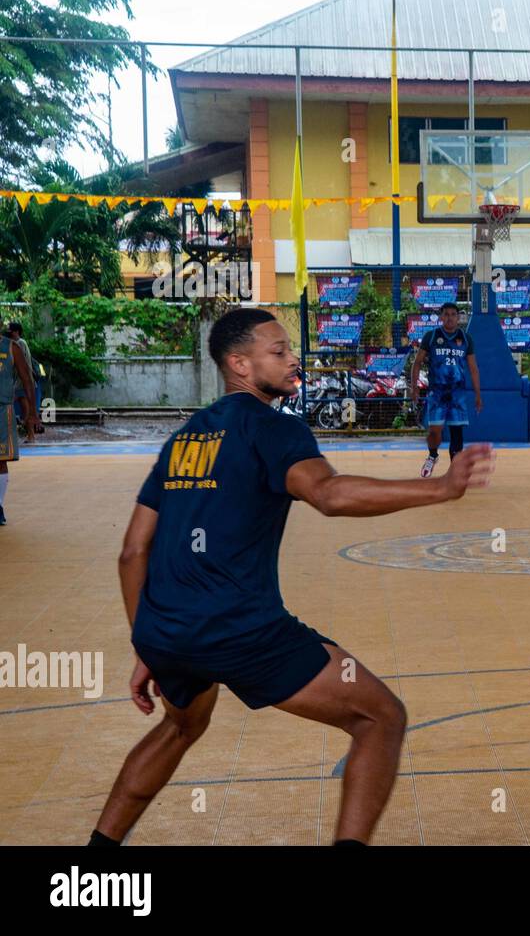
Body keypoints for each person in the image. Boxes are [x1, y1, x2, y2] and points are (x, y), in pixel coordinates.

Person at [90, 308, 495, 846]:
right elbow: (328, 494)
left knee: (181, 726)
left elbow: (131, 551)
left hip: (169, 629)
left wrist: (148, 641)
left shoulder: (185, 438)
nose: (291, 359)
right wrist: (438, 489)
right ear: (239, 364)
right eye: (277, 352)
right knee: (381, 718)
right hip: (240, 631)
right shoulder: (274, 428)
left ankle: (94, 863)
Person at [410, 302, 481, 477]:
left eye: (453, 314)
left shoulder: (465, 339)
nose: (449, 317)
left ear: (458, 317)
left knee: (457, 432)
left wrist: (478, 394)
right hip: (437, 392)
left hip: (457, 393)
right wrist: (414, 387)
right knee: (435, 431)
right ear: (441, 317)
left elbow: (473, 368)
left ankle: (455, 470)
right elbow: (417, 362)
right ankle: (432, 455)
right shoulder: (431, 336)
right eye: (446, 314)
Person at [0, 326, 42, 526]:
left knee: (0, 459)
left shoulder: (11, 347)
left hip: (2, 409)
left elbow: (27, 379)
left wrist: (33, 412)